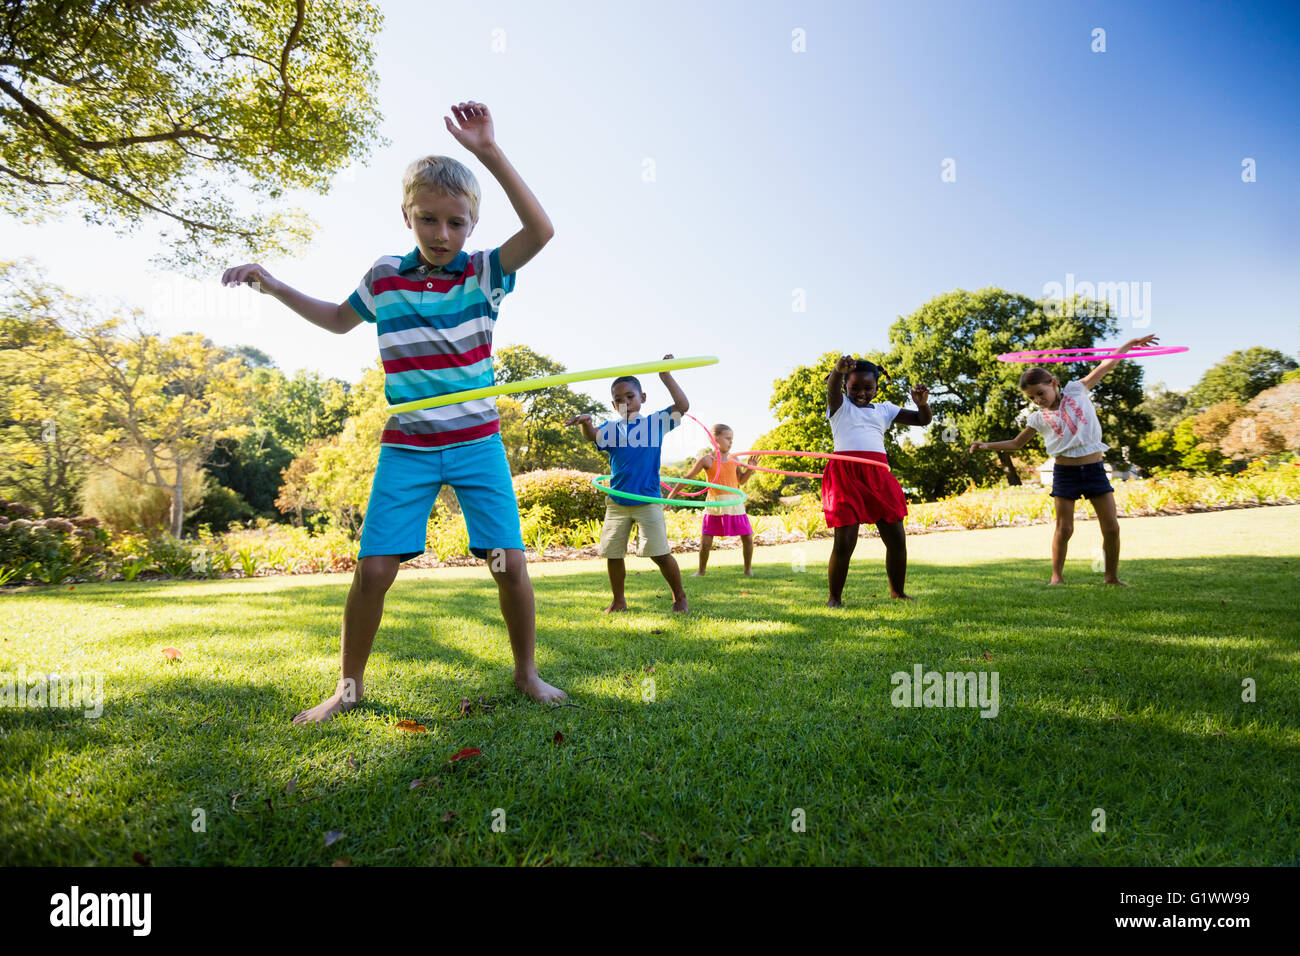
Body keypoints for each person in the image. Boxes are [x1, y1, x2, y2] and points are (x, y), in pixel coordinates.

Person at [222, 101, 565, 723]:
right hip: (407, 443)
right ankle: (348, 689)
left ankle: (527, 675)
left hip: (477, 439)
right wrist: (272, 284)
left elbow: (541, 232)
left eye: (456, 222)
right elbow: (334, 320)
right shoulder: (384, 277)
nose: (441, 234)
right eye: (428, 219)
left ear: (471, 224)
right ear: (406, 216)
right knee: (374, 570)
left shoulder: (486, 272)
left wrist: (488, 150)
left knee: (508, 565)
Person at [969, 334, 1160, 586]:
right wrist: (986, 445)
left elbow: (1106, 365)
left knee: (1112, 527)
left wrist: (1129, 345)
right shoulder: (1037, 418)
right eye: (1032, 398)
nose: (1038, 400)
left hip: (1094, 470)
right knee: (1065, 529)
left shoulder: (1076, 391)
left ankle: (1111, 577)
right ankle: (1056, 578)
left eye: (1040, 393)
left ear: (1054, 383)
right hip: (1065, 474)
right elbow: (1016, 443)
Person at [566, 360, 690, 612]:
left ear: (642, 398)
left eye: (630, 396)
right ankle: (619, 601)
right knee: (613, 554)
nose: (625, 402)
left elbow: (683, 406)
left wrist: (665, 376)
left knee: (659, 553)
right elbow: (592, 437)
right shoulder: (611, 429)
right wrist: (586, 424)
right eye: (618, 399)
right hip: (618, 502)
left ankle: (680, 597)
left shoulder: (656, 423)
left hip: (648, 499)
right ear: (613, 405)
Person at [824, 356, 932, 606]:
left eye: (868, 388)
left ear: (876, 387)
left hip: (878, 475)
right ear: (845, 387)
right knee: (845, 540)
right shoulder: (839, 406)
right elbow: (832, 388)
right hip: (845, 475)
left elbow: (922, 420)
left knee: (896, 537)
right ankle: (834, 598)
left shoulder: (885, 409)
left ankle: (898, 592)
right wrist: (837, 372)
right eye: (855, 387)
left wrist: (923, 404)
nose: (861, 393)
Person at [671, 424, 758, 576]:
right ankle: (701, 571)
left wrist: (750, 469)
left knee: (748, 538)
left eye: (732, 439)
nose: (731, 442)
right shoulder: (707, 459)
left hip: (734, 503)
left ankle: (748, 570)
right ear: (715, 439)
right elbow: (688, 479)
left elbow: (741, 480)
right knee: (706, 542)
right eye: (728, 438)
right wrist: (671, 496)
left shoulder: (734, 459)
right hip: (714, 504)